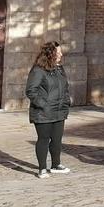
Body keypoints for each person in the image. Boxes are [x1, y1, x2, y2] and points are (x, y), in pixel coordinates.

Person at [26, 41, 72, 179]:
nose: (61, 54)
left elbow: (65, 88)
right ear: (50, 54)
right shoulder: (38, 70)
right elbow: (31, 90)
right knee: (44, 139)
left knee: (57, 140)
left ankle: (56, 165)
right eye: (58, 52)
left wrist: (66, 101)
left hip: (59, 110)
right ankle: (42, 169)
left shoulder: (59, 69)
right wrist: (43, 105)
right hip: (43, 112)